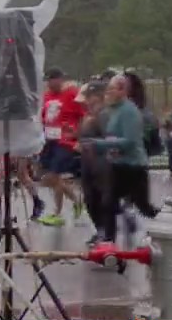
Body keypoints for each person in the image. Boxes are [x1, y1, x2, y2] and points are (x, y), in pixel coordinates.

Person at [85, 75, 156, 244]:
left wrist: (99, 145)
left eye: (111, 89)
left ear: (123, 91)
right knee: (108, 203)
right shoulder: (113, 109)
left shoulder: (129, 111)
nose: (107, 93)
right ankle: (109, 242)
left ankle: (169, 225)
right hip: (116, 165)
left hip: (133, 167)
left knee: (144, 206)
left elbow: (130, 142)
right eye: (107, 89)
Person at [37, 67, 85, 227]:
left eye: (53, 79)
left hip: (65, 141)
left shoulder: (71, 94)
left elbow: (83, 115)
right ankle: (76, 200)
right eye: (48, 80)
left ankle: (57, 213)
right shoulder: (47, 96)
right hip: (49, 140)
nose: (50, 83)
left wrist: (78, 135)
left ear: (60, 79)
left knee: (55, 175)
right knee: (49, 178)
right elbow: (43, 117)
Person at [75, 80, 110, 242]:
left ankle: (107, 233)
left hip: (103, 163)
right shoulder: (89, 116)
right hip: (88, 163)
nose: (87, 101)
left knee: (102, 199)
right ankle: (100, 230)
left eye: (90, 97)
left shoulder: (105, 115)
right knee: (90, 198)